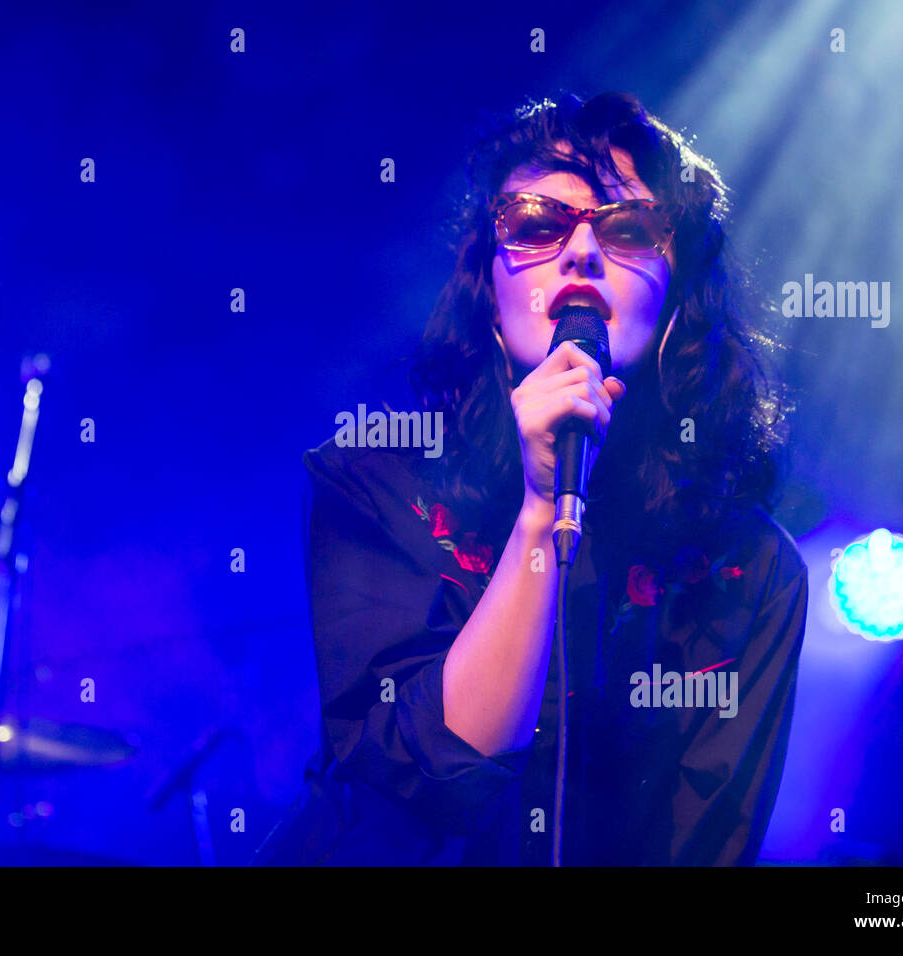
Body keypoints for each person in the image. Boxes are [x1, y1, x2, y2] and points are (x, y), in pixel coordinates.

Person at [253, 91, 808, 865]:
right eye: (538, 224)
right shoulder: (371, 486)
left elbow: (707, 847)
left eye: (630, 229)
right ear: (488, 286)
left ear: (680, 296)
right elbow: (432, 782)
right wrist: (542, 512)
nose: (581, 253)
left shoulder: (747, 569)